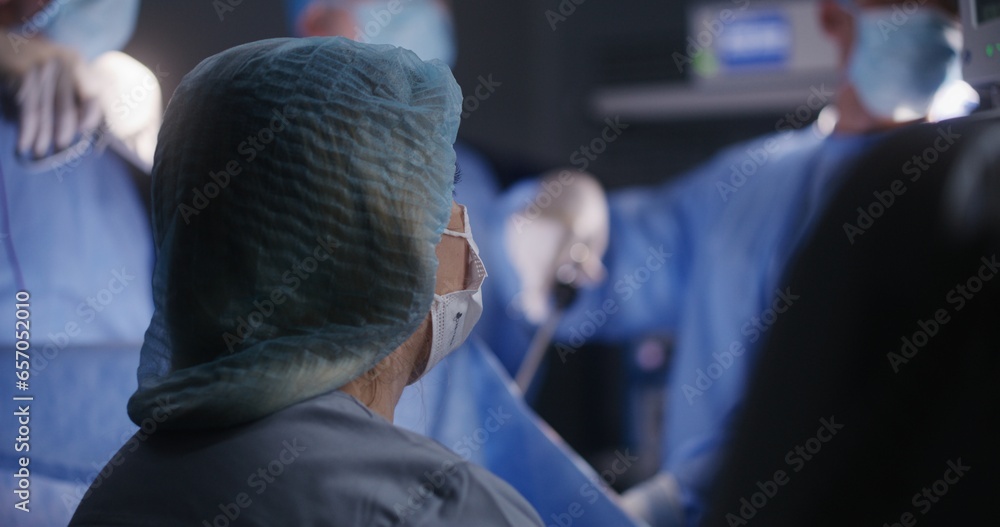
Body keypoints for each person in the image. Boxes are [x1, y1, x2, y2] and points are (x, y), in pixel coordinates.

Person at [515, 0, 969, 525]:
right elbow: (608, 268)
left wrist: (683, 497)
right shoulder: (753, 184)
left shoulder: (974, 188)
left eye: (950, 6)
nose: (938, 15)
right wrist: (546, 228)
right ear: (831, 15)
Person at [68, 37, 543, 526]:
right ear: (382, 248)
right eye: (442, 190)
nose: (463, 219)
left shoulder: (113, 498)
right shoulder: (439, 506)